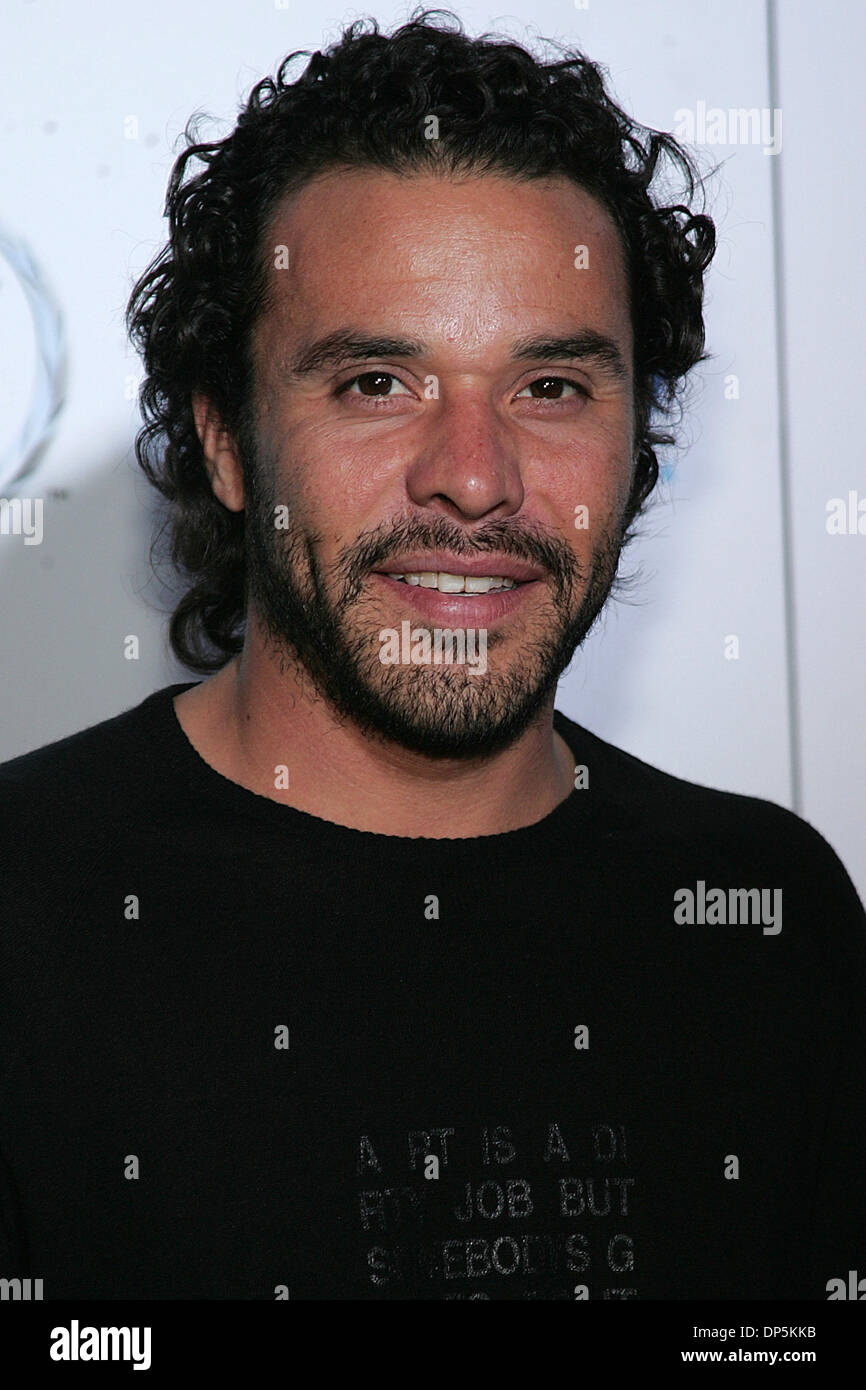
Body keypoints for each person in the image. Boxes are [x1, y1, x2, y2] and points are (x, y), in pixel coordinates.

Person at [1, 11, 863, 1301]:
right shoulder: (22, 905)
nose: (473, 478)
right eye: (375, 383)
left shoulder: (767, 912)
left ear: (641, 452)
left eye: (552, 388)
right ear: (228, 444)